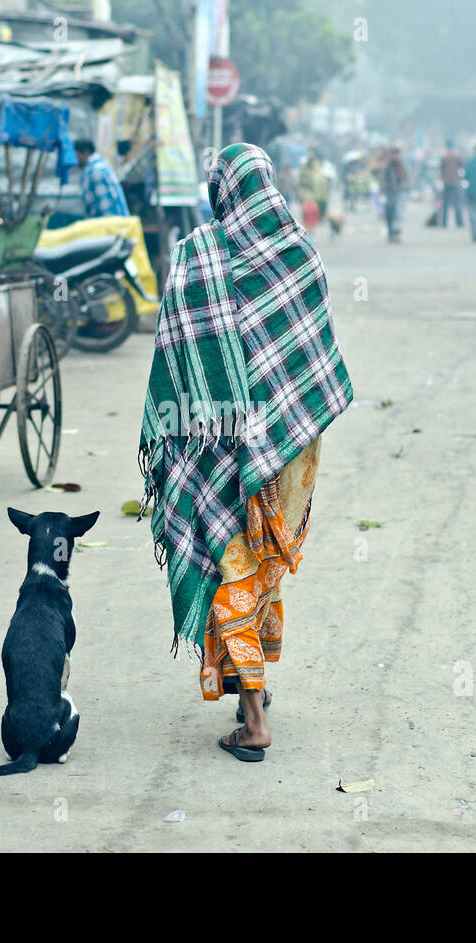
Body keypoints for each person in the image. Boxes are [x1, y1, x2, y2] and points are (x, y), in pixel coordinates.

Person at [138, 143, 353, 763]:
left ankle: (254, 721)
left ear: (220, 192)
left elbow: (176, 352)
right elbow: (311, 354)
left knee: (233, 562)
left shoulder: (194, 257)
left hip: (217, 442)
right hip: (291, 444)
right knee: (262, 562)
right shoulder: (300, 252)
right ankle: (246, 684)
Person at [74, 138, 130, 218]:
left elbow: (106, 206)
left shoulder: (96, 171)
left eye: (76, 155)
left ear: (86, 152)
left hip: (111, 225)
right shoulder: (94, 167)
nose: (74, 160)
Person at [378, 145, 407, 242]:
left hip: (400, 193)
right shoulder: (387, 167)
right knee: (389, 214)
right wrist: (382, 191)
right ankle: (391, 233)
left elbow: (407, 179)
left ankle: (396, 233)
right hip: (389, 194)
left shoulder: (403, 166)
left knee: (398, 213)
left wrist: (406, 189)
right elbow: (382, 180)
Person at [298, 152, 329, 232]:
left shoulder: (319, 170)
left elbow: (322, 183)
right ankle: (307, 226)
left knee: (314, 212)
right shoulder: (305, 170)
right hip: (307, 195)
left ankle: (312, 226)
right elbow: (302, 182)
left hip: (317, 196)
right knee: (307, 211)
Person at [439, 140, 466, 229]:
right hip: (456, 182)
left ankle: (444, 223)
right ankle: (459, 223)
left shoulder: (444, 156)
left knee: (446, 204)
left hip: (446, 182)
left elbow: (441, 169)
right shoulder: (457, 156)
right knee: (457, 203)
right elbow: (463, 165)